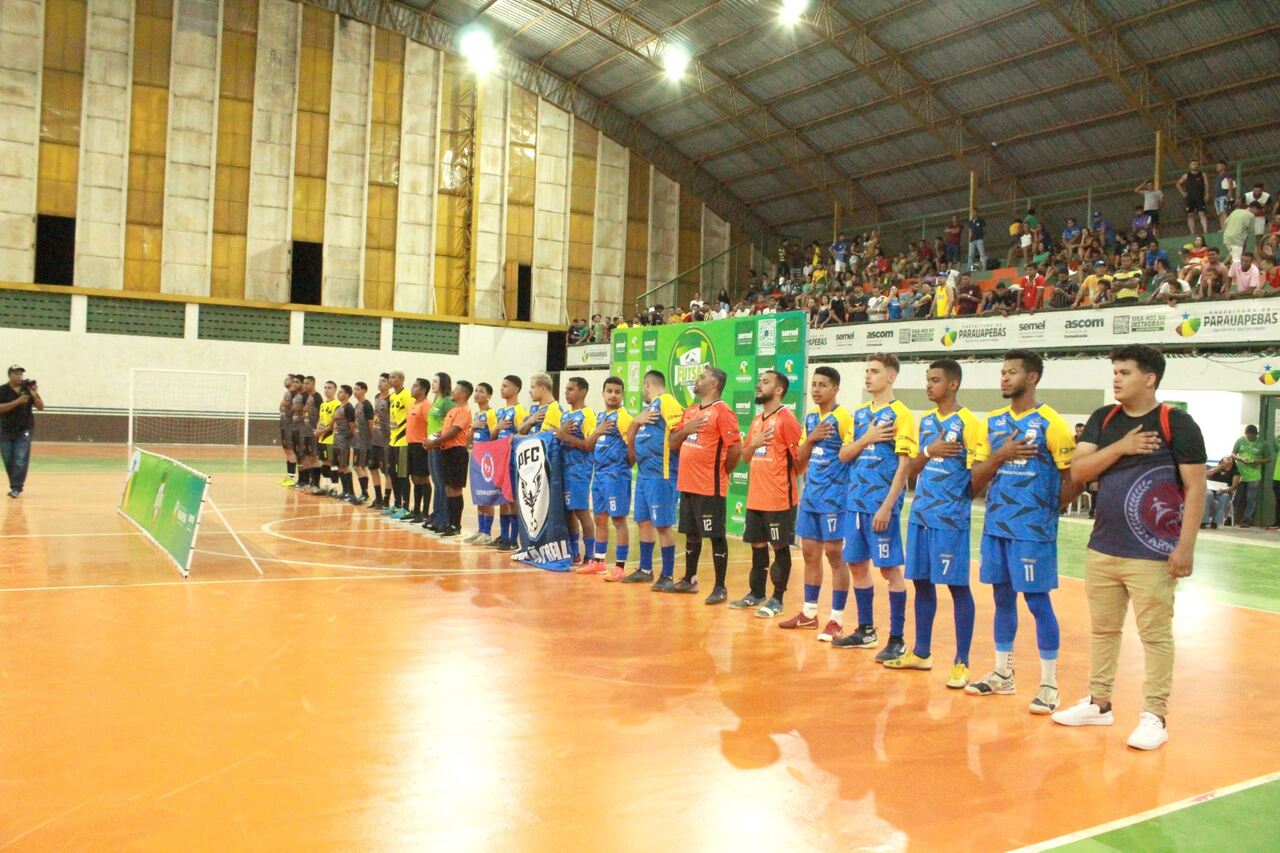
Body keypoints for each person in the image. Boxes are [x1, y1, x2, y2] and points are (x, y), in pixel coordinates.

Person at [1053, 345, 1206, 750]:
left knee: (1155, 635)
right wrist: (1121, 447)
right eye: (1114, 371)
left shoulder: (1178, 423)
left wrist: (1186, 547)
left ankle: (1155, 715)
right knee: (1103, 630)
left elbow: (1196, 488)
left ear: (1150, 378)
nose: (1116, 378)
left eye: (1124, 372)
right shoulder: (1105, 419)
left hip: (1154, 552)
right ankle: (1099, 704)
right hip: (1103, 546)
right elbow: (1080, 472)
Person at [966, 350, 1080, 714]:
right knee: (1001, 599)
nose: (1003, 378)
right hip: (996, 526)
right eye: (1001, 372)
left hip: (1032, 531)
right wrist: (1001, 455)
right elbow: (974, 481)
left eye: (1011, 372)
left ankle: (1049, 685)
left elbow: (1073, 478)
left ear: (1032, 378)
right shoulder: (993, 422)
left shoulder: (1052, 423)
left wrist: (1045, 511)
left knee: (1036, 602)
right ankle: (1003, 673)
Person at [886, 359, 980, 687]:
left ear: (952, 384)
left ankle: (962, 662)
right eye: (927, 379)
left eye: (935, 380)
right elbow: (910, 468)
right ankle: (922, 653)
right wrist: (930, 449)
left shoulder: (970, 423)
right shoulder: (923, 422)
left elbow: (977, 476)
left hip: (950, 520)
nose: (929, 385)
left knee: (957, 587)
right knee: (922, 583)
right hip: (921, 517)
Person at [832, 354, 917, 660]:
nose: (868, 376)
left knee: (890, 570)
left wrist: (887, 506)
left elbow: (905, 465)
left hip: (881, 505)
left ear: (891, 377)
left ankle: (897, 638)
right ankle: (865, 630)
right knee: (856, 565)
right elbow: (844, 455)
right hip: (854, 504)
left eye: (875, 371)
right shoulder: (860, 415)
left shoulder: (902, 414)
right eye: (866, 371)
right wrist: (867, 437)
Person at [782, 366, 854, 630]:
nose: (816, 389)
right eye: (814, 384)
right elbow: (800, 458)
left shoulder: (845, 417)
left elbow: (853, 453)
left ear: (835, 389)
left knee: (835, 555)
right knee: (811, 554)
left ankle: (836, 618)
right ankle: (809, 613)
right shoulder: (811, 418)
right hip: (811, 497)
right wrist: (811, 439)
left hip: (835, 498)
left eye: (823, 385)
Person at [730, 370, 801, 615]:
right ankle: (756, 593)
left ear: (779, 389)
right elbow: (746, 457)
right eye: (759, 381)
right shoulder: (757, 421)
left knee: (779, 548)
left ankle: (777, 599)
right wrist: (754, 442)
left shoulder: (787, 419)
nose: (759, 385)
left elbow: (799, 461)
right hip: (756, 498)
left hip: (779, 498)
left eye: (765, 382)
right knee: (757, 547)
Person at [672, 366, 742, 602]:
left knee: (716, 535)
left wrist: (721, 472)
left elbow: (736, 449)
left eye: (702, 377)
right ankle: (689, 579)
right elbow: (673, 443)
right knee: (691, 534)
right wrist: (687, 430)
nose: (696, 380)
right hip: (687, 484)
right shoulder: (691, 411)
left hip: (709, 486)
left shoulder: (723, 412)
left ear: (714, 384)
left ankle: (720, 587)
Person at [623, 370, 684, 588]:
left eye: (642, 387)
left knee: (663, 524)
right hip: (644, 475)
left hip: (662, 474)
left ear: (647, 385)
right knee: (643, 521)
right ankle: (645, 569)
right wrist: (636, 422)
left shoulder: (666, 402)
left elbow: (680, 432)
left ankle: (667, 575)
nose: (642, 391)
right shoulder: (648, 410)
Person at [546, 377, 599, 570]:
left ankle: (590, 555)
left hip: (579, 471)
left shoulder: (588, 415)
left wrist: (564, 435)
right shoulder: (565, 415)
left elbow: (589, 445)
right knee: (568, 513)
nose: (566, 393)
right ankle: (574, 552)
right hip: (564, 470)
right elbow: (557, 439)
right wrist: (559, 434)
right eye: (566, 389)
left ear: (583, 391)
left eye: (570, 389)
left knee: (581, 512)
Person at [587, 377, 634, 581]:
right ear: (603, 393)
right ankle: (598, 562)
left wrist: (622, 469)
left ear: (622, 394)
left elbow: (632, 449)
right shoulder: (599, 417)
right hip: (599, 475)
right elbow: (589, 444)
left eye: (617, 392)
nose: (613, 395)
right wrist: (597, 432)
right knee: (599, 518)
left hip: (616, 476)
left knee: (618, 519)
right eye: (609, 391)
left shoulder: (624, 418)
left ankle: (621, 566)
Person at [423, 380, 473, 537]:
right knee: (448, 489)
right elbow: (445, 430)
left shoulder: (464, 410)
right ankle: (448, 523)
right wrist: (435, 436)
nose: (453, 392)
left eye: (456, 390)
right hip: (446, 450)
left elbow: (454, 432)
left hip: (456, 452)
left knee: (455, 489)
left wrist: (434, 442)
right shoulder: (454, 410)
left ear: (463, 394)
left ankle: (455, 525)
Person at [489, 375, 528, 550]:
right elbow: (492, 437)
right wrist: (496, 428)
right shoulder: (500, 412)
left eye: (505, 386)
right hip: (501, 457)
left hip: (513, 459)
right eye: (501, 385)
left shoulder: (519, 411)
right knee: (503, 498)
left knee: (512, 499)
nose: (501, 389)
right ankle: (504, 536)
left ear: (516, 389)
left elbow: (523, 434)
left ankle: (514, 539)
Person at [463, 382, 498, 544]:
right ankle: (480, 530)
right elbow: (468, 442)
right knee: (478, 495)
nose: (477, 394)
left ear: (489, 396)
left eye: (481, 391)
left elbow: (494, 437)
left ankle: (487, 533)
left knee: (486, 495)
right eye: (476, 391)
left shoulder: (491, 414)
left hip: (487, 459)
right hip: (475, 456)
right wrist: (472, 428)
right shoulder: (477, 415)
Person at [0, 366, 43, 498]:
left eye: (21, 374)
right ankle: (15, 483)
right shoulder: (2, 390)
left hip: (24, 429)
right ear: (10, 375)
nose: (19, 376)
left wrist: (34, 395)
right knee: (8, 459)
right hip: (5, 429)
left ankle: (16, 487)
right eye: (16, 374)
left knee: (20, 457)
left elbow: (40, 407)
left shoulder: (28, 389)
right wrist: (18, 401)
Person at [424, 373, 455, 533]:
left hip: (440, 445)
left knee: (442, 483)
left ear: (443, 383)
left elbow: (450, 423)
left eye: (435, 381)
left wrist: (437, 437)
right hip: (431, 445)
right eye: (432, 381)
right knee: (436, 482)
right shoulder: (436, 400)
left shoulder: (448, 401)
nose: (433, 384)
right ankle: (436, 515)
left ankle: (444, 518)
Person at [385, 370, 413, 518]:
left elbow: (411, 416)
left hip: (403, 442)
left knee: (402, 475)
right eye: (390, 377)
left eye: (394, 377)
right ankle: (396, 505)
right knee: (393, 474)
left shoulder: (406, 396)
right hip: (393, 440)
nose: (391, 380)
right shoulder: (392, 396)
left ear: (401, 379)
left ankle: (406, 506)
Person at [1232, 425, 1272, 528]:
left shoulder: (1262, 444)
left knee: (1251, 499)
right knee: (1237, 498)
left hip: (1254, 476)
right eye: (1248, 435)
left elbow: (1269, 459)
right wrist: (1240, 459)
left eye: (1252, 435)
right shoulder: (1240, 441)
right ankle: (1231, 518)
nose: (1249, 437)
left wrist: (1257, 461)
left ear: (1256, 434)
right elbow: (1233, 454)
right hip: (1240, 474)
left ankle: (1246, 521)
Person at [404, 378, 431, 523]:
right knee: (414, 478)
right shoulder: (414, 404)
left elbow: (431, 425)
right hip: (411, 444)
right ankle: (416, 510)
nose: (412, 388)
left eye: (415, 386)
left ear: (423, 390)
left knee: (423, 478)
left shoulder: (426, 405)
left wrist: (428, 442)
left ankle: (425, 512)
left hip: (421, 446)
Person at [369, 373, 392, 510]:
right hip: (375, 440)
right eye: (380, 380)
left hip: (386, 441)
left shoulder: (391, 399)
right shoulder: (377, 397)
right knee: (372, 467)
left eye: (384, 381)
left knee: (387, 471)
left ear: (389, 384)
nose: (380, 383)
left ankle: (386, 499)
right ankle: (377, 497)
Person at [351, 381, 375, 504]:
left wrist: (372, 441)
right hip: (357, 441)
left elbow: (371, 425)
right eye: (354, 389)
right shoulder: (357, 405)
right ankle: (364, 493)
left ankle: (365, 494)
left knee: (359, 466)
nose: (355, 392)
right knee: (358, 467)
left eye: (358, 389)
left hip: (364, 442)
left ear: (364, 390)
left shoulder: (367, 405)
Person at [1201, 457, 1238, 530]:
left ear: (1232, 463)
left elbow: (1234, 486)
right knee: (1208, 494)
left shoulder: (1235, 472)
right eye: (1225, 458)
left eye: (1229, 459)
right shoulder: (1216, 469)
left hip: (1224, 491)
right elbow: (1205, 475)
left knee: (1224, 497)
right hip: (1211, 489)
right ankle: (1204, 521)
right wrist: (1219, 468)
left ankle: (1215, 522)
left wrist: (1224, 490)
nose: (1227, 459)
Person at [316, 380, 340, 496]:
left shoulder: (337, 404)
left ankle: (334, 488)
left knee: (333, 463)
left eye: (329, 388)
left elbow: (333, 423)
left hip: (331, 439)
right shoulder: (323, 405)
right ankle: (325, 486)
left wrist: (322, 431)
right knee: (324, 462)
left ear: (335, 390)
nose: (327, 390)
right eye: (325, 387)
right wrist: (317, 430)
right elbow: (321, 419)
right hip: (322, 438)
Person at [1175, 159, 1210, 236]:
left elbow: (1206, 184)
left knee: (1202, 213)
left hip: (1200, 197)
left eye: (1196, 164)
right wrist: (1182, 192)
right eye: (1193, 164)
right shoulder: (1186, 175)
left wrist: (1207, 194)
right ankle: (1192, 232)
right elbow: (1178, 183)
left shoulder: (1202, 174)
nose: (1195, 165)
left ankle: (1205, 231)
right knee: (1190, 214)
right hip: (1190, 198)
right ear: (1190, 166)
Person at [278, 374, 299, 486]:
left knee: (291, 451)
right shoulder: (288, 394)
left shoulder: (293, 394)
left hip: (289, 427)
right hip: (284, 425)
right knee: (287, 451)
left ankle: (292, 478)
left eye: (287, 379)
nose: (285, 381)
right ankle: (289, 476)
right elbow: (280, 407)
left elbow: (286, 408)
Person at [1213, 160, 1236, 230]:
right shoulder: (1217, 176)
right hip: (1217, 196)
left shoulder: (1227, 174)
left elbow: (1230, 182)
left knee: (1224, 211)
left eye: (1219, 166)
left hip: (1223, 195)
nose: (1217, 167)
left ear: (1223, 166)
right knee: (1219, 213)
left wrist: (1229, 192)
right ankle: (1223, 228)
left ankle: (1227, 228)